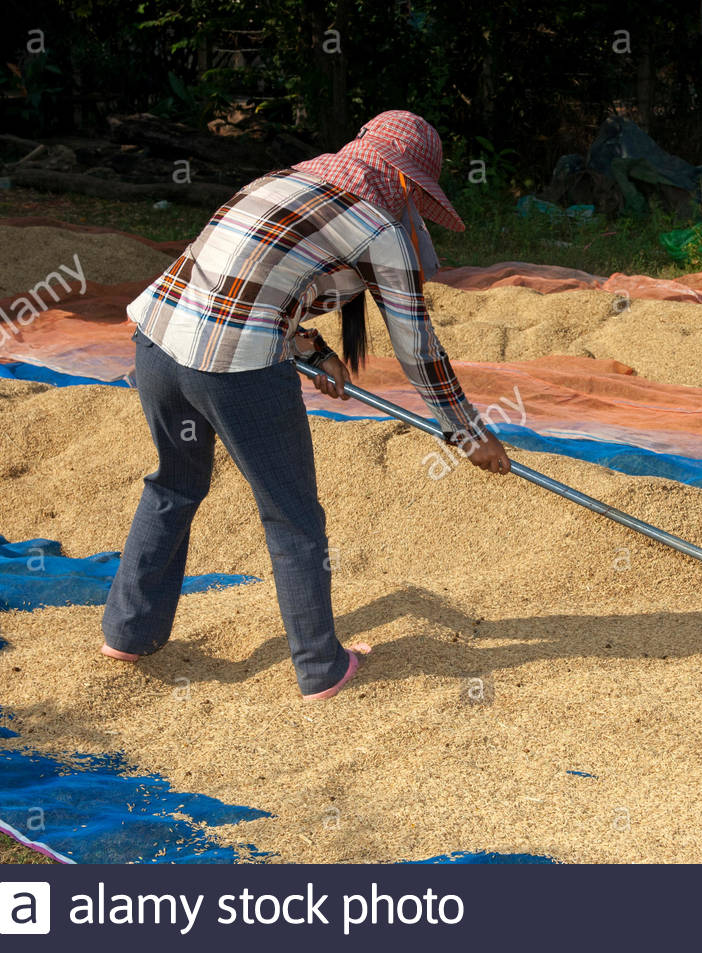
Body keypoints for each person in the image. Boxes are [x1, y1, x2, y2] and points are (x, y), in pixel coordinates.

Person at [101, 110, 510, 700]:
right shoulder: (378, 230)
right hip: (234, 369)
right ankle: (321, 666)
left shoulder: (275, 182)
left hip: (157, 344)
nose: (413, 207)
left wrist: (313, 351)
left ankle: (128, 632)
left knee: (174, 485)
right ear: (401, 180)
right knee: (292, 514)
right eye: (416, 194)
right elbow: (417, 349)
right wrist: (467, 432)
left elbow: (240, 281)